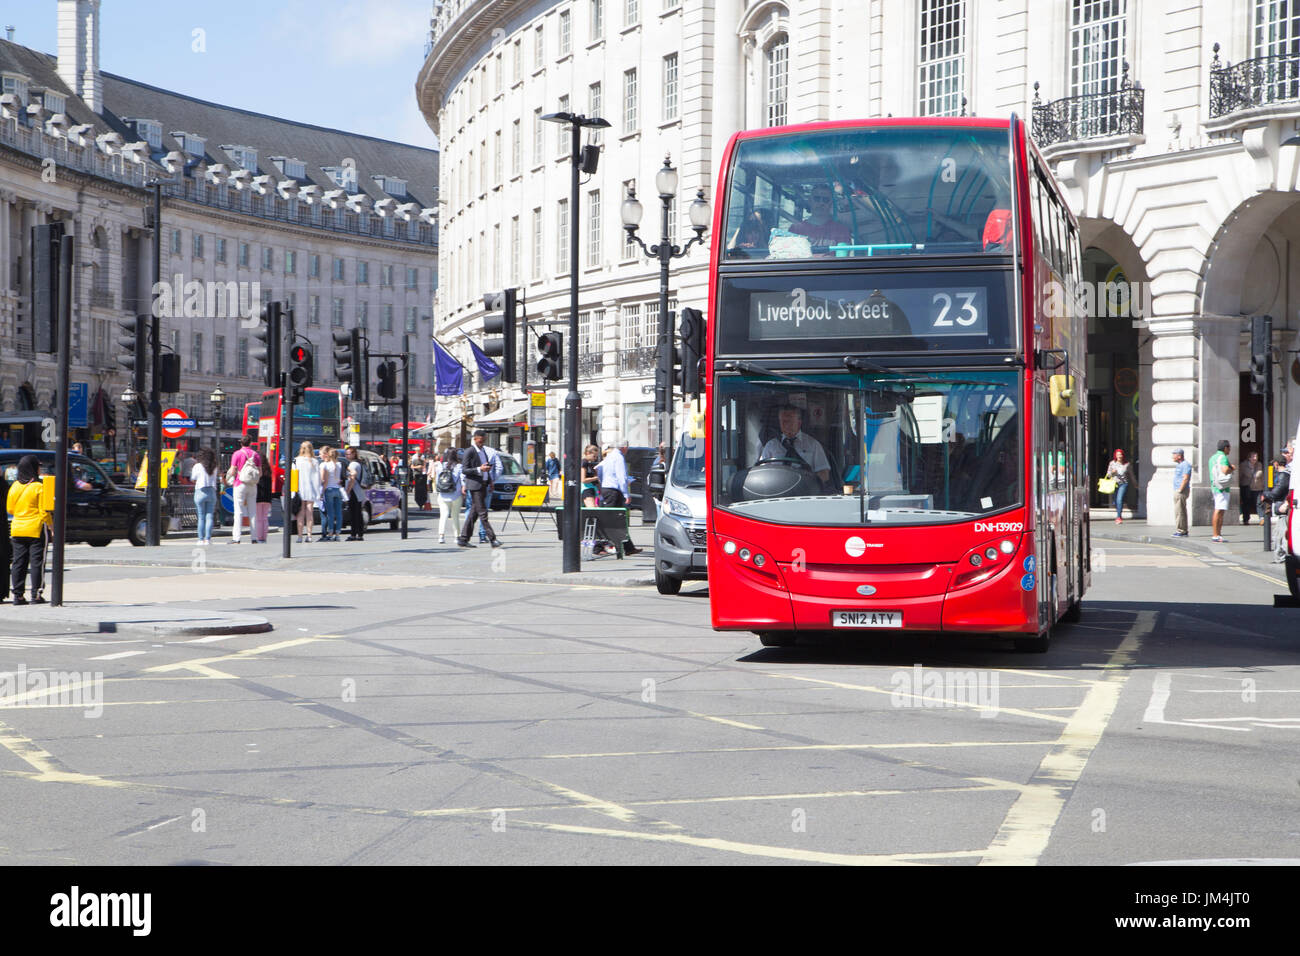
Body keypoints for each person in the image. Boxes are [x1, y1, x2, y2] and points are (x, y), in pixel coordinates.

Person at [7, 455, 50, 605]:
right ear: (33, 468)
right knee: (37, 562)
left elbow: (10, 509)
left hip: (17, 528)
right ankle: (36, 594)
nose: (40, 469)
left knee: (19, 562)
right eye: (38, 466)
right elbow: (44, 512)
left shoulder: (14, 486)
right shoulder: (39, 487)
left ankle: (18, 596)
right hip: (35, 528)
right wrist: (51, 526)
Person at [759, 404, 831, 485]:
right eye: (783, 421)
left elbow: (824, 473)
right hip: (777, 491)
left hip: (805, 492)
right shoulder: (771, 446)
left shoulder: (813, 444)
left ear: (799, 423)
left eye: (790, 421)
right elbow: (761, 473)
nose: (786, 425)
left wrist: (809, 485)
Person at [458, 429, 502, 549]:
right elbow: (464, 470)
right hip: (474, 485)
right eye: (480, 441)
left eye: (484, 441)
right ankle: (492, 539)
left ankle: (463, 538)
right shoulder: (470, 451)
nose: (482, 443)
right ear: (475, 438)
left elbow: (486, 467)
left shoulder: (484, 451)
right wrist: (479, 469)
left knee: (474, 513)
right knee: (483, 512)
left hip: (483, 484)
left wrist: (490, 481)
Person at [789, 186, 851, 254]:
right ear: (810, 201)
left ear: (831, 203)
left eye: (826, 200)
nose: (821, 203)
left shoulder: (841, 230)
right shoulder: (795, 229)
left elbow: (841, 260)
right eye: (817, 198)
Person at [1262, 442, 1294, 562]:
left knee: (1280, 536)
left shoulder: (1283, 475)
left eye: (1274, 463)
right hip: (1283, 508)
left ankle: (1282, 558)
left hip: (1283, 509)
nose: (1274, 466)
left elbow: (1276, 493)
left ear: (1276, 463)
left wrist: (1265, 494)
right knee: (1280, 535)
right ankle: (1281, 557)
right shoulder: (1286, 474)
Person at [227, 436, 260, 544]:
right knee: (253, 511)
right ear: (250, 443)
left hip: (240, 483)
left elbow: (232, 471)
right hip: (252, 485)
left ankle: (236, 538)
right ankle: (254, 538)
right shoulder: (256, 455)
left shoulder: (237, 454)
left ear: (241, 443)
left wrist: (228, 477)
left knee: (238, 511)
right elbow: (260, 472)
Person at [190, 448, 219, 545]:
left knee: (201, 517)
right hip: (211, 491)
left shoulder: (197, 466)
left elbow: (193, 479)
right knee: (209, 516)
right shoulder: (214, 466)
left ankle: (200, 539)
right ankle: (208, 539)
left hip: (200, 491)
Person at [294, 441, 321, 543]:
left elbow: (294, 477)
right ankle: (309, 535)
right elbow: (317, 478)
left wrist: (293, 491)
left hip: (300, 489)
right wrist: (318, 492)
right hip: (311, 489)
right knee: (310, 513)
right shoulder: (314, 461)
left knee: (300, 513)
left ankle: (300, 536)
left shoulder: (296, 460)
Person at [433, 450, 462, 544]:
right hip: (456, 495)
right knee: (455, 516)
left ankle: (441, 536)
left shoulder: (440, 466)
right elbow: (462, 480)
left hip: (443, 495)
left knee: (443, 516)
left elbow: (437, 481)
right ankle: (457, 536)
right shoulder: (458, 466)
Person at [1208, 439, 1234, 542]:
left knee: (1219, 509)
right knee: (1219, 510)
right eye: (1229, 448)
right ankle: (1216, 535)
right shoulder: (1222, 457)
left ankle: (1218, 534)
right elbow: (1225, 470)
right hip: (1222, 487)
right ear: (1225, 448)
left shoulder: (1212, 458)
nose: (1230, 450)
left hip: (1215, 486)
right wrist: (1232, 468)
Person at [320, 446, 343, 542]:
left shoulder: (324, 465)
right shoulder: (339, 465)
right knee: (338, 513)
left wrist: (321, 492)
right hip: (338, 490)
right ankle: (337, 534)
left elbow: (323, 480)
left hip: (328, 489)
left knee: (330, 513)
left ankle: (330, 533)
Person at [344, 446, 366, 541]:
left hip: (354, 492)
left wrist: (347, 491)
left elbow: (352, 479)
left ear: (354, 454)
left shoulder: (353, 465)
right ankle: (359, 534)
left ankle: (354, 534)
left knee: (354, 514)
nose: (347, 456)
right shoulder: (358, 463)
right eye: (346, 454)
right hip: (359, 491)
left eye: (348, 454)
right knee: (358, 514)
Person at [1105, 448, 1131, 523]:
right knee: (1116, 501)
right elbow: (1108, 475)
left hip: (1123, 484)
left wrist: (1135, 483)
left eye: (1121, 454)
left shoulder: (1126, 464)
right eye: (1118, 454)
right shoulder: (1112, 463)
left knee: (1119, 499)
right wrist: (1112, 472)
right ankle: (1119, 513)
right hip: (1114, 484)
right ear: (1115, 455)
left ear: (1123, 455)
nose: (1119, 456)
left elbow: (1131, 474)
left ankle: (1118, 517)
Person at [253, 450, 273, 543]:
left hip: (258, 496)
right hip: (267, 497)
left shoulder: (257, 469)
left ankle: (259, 537)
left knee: (258, 519)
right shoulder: (269, 470)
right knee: (265, 518)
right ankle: (264, 537)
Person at [1171, 447, 1192, 537]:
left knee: (1180, 511)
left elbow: (1185, 478)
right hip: (1178, 489)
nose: (1172, 457)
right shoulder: (1179, 465)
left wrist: (1180, 489)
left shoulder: (1185, 464)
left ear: (1179, 456)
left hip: (1181, 490)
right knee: (1179, 510)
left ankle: (1181, 530)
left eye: (1174, 455)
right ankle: (1183, 529)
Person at [1240, 451, 1264, 525]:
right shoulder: (1243, 465)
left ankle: (1261, 518)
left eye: (1256, 457)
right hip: (1247, 487)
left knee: (1259, 503)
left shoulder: (1259, 465)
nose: (1255, 458)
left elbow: (1262, 476)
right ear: (1249, 458)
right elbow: (1240, 476)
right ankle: (1246, 519)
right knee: (1246, 503)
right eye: (1253, 457)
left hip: (1258, 487)